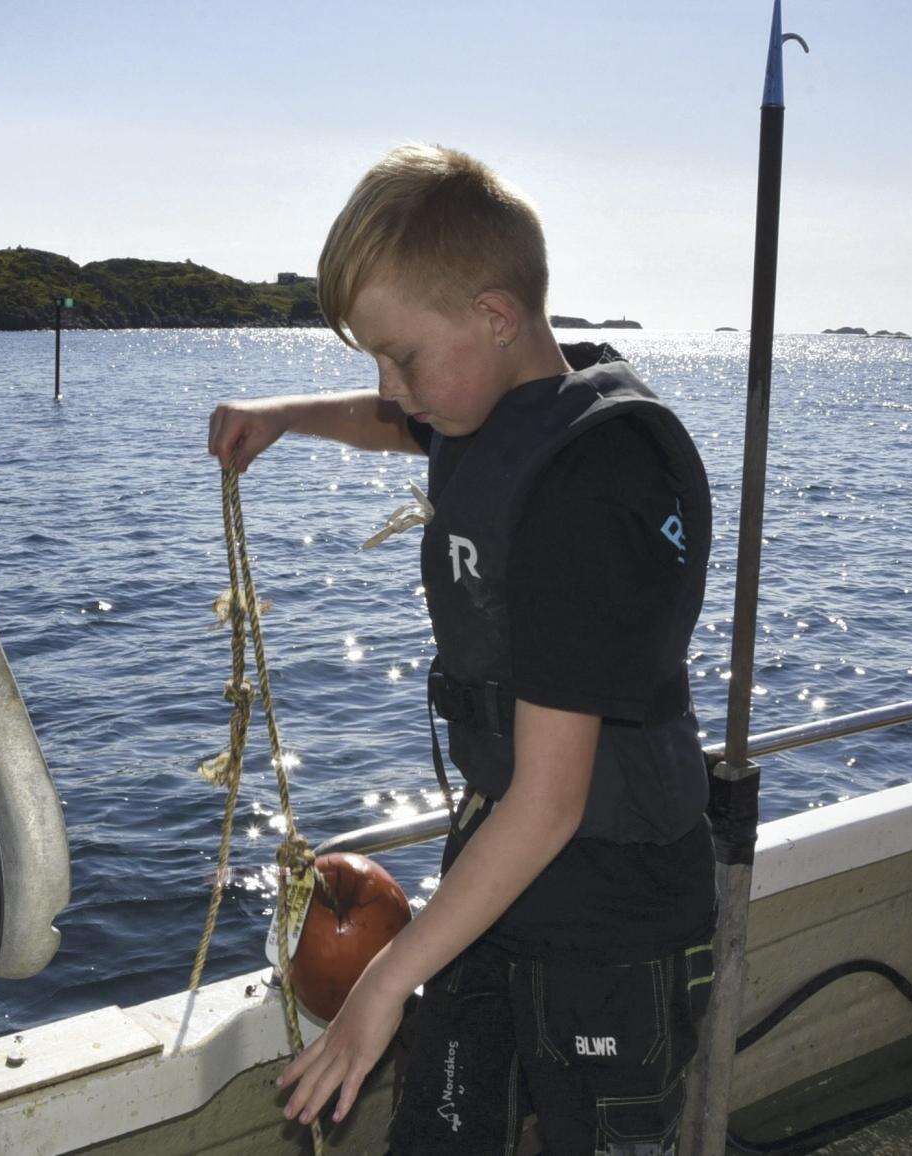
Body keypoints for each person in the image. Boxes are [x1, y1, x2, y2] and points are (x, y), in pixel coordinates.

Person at [207, 144, 715, 1155]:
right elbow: (405, 427)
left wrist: (379, 988)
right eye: (374, 360)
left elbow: (551, 800)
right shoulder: (494, 398)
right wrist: (285, 417)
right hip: (499, 881)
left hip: (611, 915)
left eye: (401, 357)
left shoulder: (591, 489)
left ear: (495, 314)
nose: (391, 387)